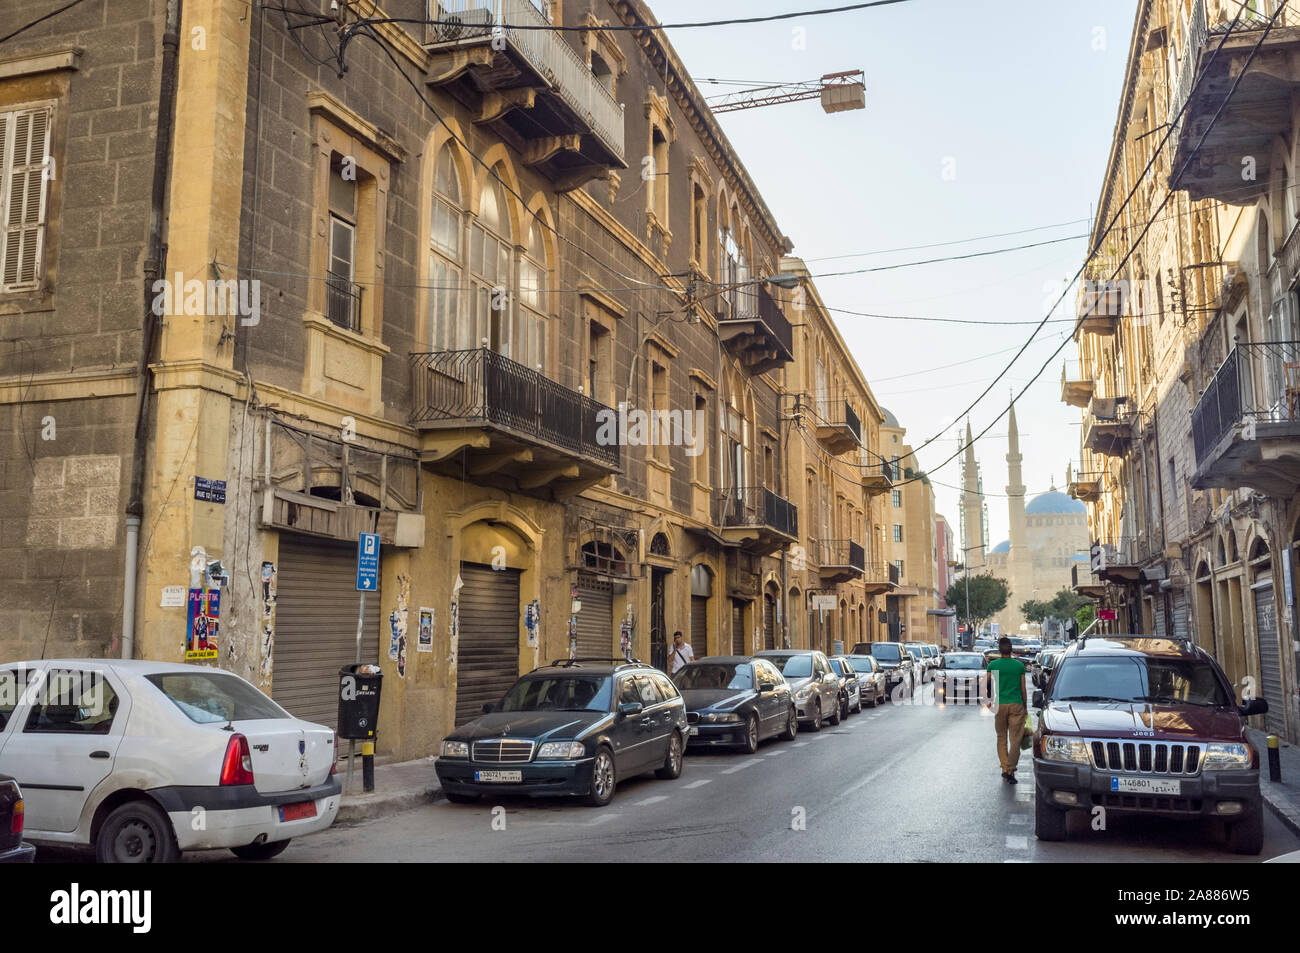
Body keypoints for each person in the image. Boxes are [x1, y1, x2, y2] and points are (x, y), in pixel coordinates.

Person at [987, 636, 1028, 784]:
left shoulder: (993, 665)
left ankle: (1004, 768)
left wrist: (988, 701)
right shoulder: (1019, 666)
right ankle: (1011, 769)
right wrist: (1025, 706)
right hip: (1016, 704)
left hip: (1000, 705)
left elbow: (987, 685)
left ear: (999, 650)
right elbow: (1023, 689)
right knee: (1015, 740)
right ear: (1011, 649)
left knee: (1001, 738)